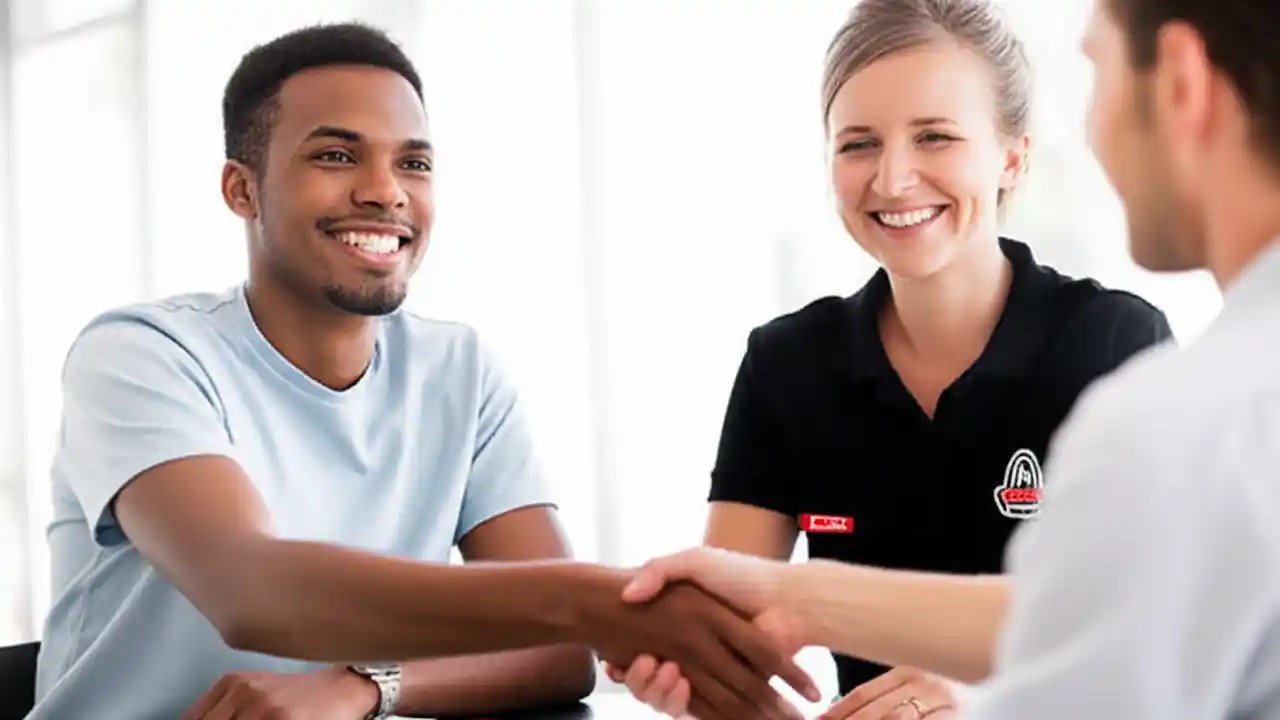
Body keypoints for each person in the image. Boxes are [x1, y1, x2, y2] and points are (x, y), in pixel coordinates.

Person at [28, 23, 817, 720]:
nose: (384, 192)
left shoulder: (458, 371)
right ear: (242, 189)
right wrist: (597, 598)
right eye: (336, 156)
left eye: (414, 163)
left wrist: (368, 686)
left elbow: (557, 655)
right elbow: (250, 592)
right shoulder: (139, 356)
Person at [616, 0, 1280, 716]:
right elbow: (1116, 624)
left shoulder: (1148, 375)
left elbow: (1125, 639)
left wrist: (981, 701)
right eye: (858, 144)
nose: (894, 179)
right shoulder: (786, 362)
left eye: (934, 136)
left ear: (1012, 155)